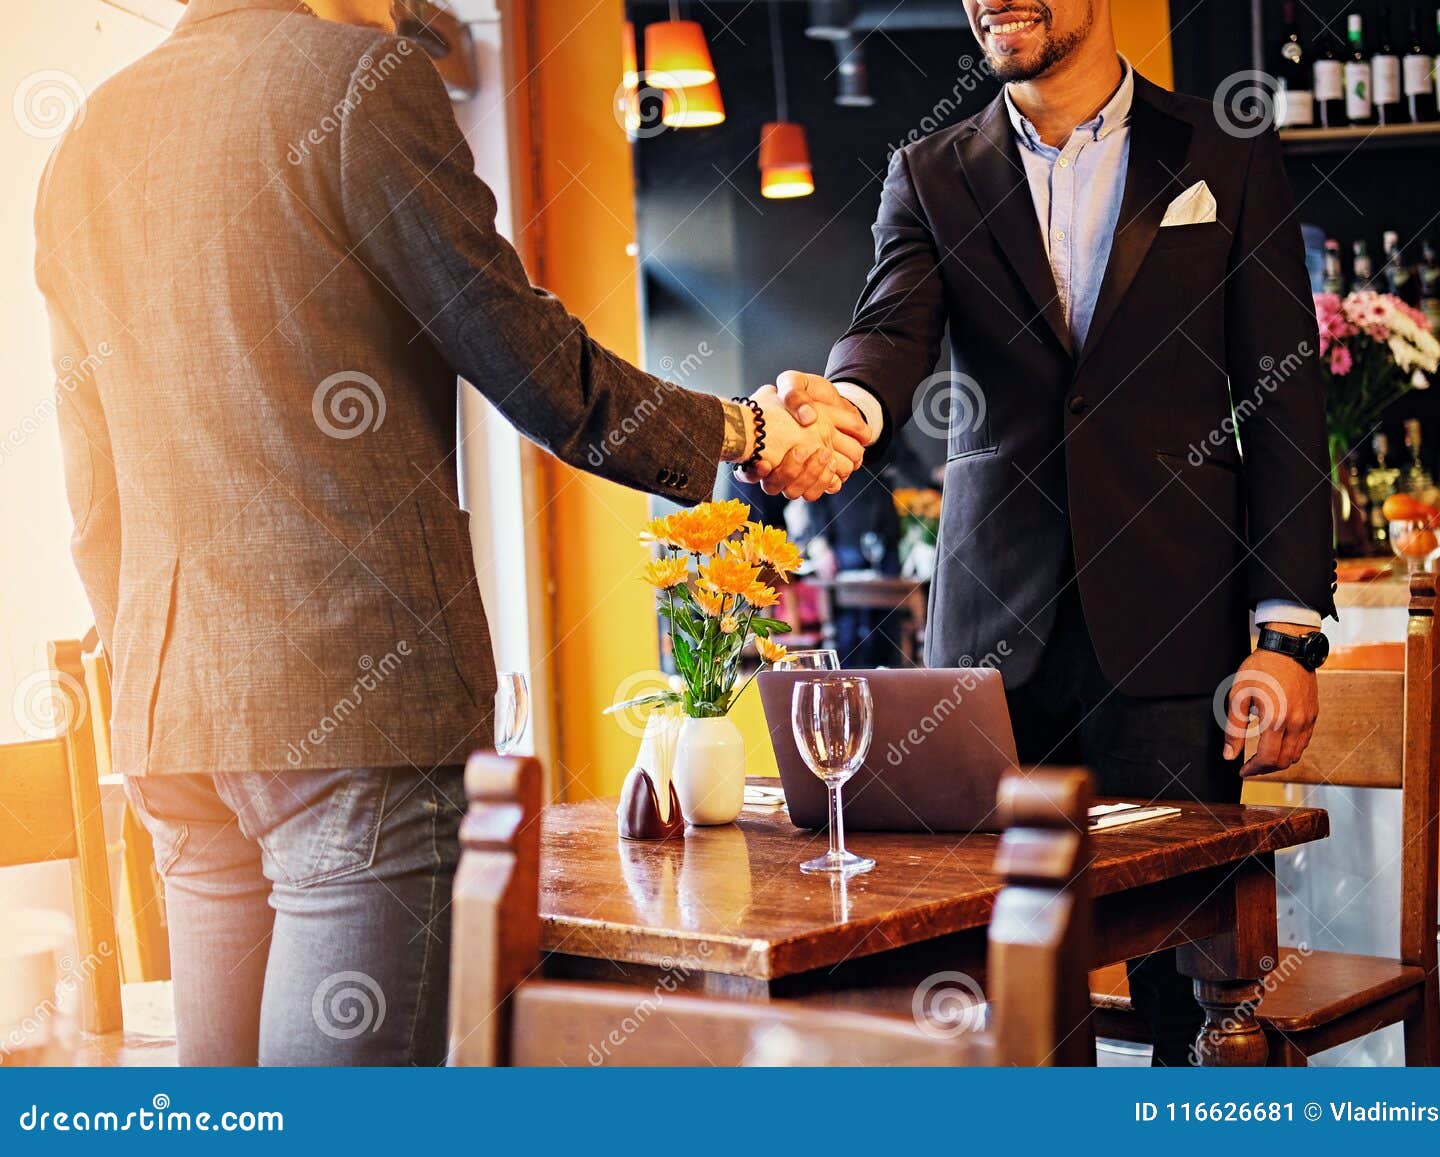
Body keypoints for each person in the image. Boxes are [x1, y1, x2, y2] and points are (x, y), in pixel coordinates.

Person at [32, 0, 867, 1065]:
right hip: (353, 715)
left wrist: (149, 648)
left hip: (172, 721)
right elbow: (535, 364)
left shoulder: (89, 135)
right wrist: (745, 430)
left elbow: (89, 474)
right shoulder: (357, 83)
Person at [773, 1, 1337, 1063]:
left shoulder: (1223, 153)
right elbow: (890, 334)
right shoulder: (931, 170)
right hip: (991, 641)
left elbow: (1283, 406)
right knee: (1013, 983)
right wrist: (842, 408)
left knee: (1191, 981)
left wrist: (1285, 632)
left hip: (1178, 631)